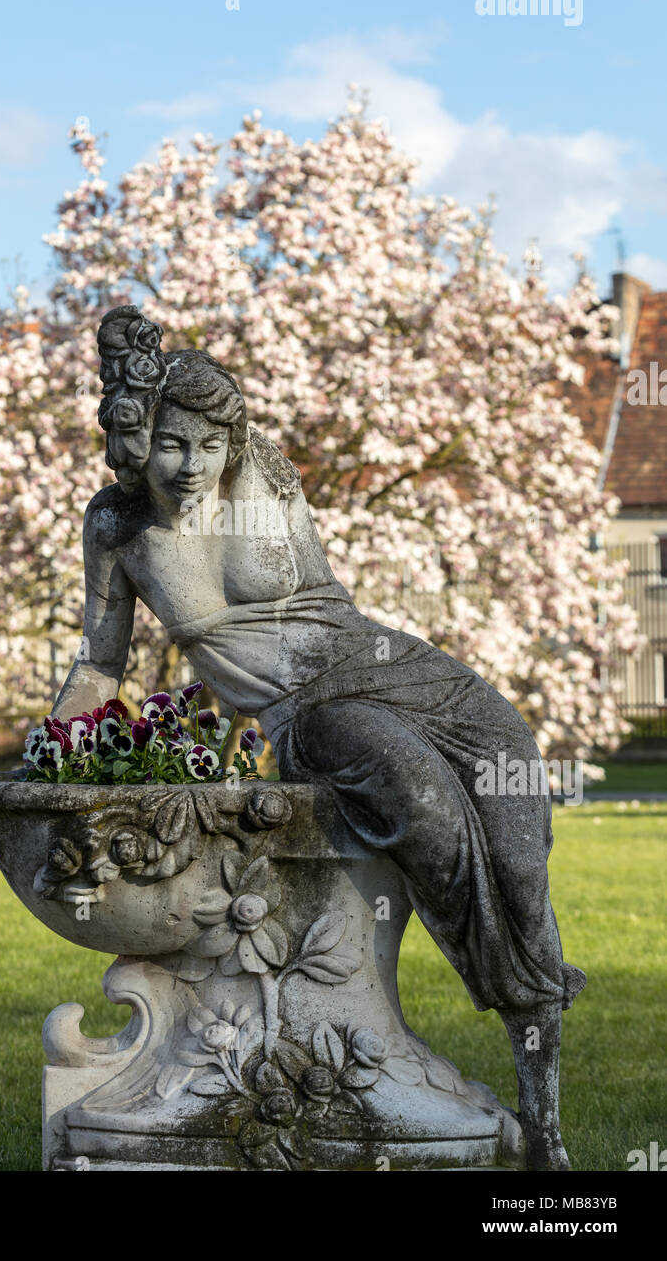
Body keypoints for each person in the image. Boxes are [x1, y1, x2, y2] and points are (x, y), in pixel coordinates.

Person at [52, 305, 585, 1171]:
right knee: (430, 807)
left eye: (209, 446)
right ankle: (508, 1006)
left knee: (511, 774)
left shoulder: (263, 470)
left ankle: (545, 1116)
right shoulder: (120, 531)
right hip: (313, 713)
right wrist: (59, 756)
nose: (192, 468)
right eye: (171, 445)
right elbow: (98, 668)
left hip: (385, 662)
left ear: (235, 442)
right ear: (135, 440)